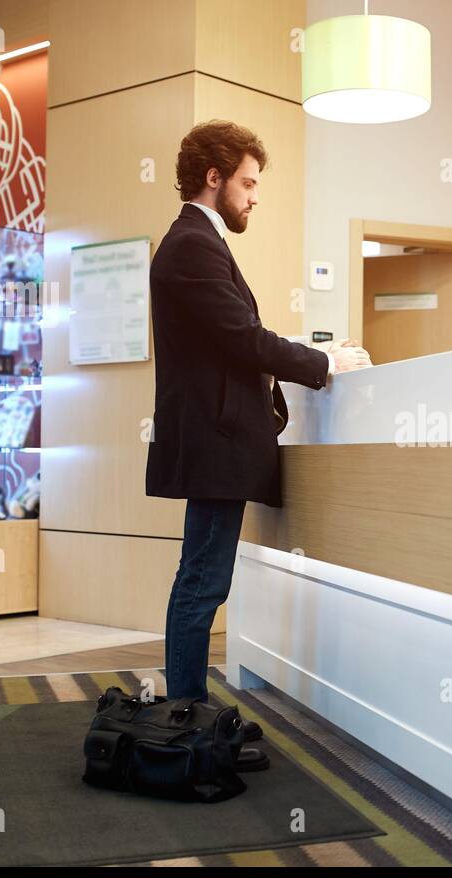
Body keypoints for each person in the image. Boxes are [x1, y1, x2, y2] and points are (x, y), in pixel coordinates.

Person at [146, 120, 370, 707]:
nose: (254, 196)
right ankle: (187, 712)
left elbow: (236, 337)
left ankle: (184, 705)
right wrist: (322, 362)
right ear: (213, 178)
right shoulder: (193, 243)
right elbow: (243, 339)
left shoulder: (196, 240)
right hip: (216, 443)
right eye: (246, 183)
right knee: (202, 581)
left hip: (215, 440)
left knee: (199, 577)